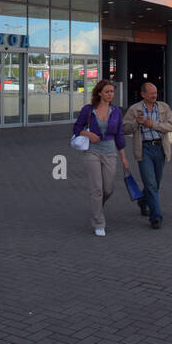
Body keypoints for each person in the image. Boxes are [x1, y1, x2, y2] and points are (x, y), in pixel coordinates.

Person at [72, 79, 130, 237]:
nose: (110, 95)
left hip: (110, 151)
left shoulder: (116, 111)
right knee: (96, 188)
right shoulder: (88, 110)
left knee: (108, 188)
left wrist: (123, 157)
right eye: (107, 92)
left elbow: (119, 134)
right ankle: (98, 222)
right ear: (99, 93)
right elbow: (77, 128)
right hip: (92, 152)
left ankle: (97, 206)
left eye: (112, 92)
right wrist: (88, 134)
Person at [123, 82, 172, 229]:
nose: (154, 95)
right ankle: (156, 218)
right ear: (143, 94)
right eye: (151, 93)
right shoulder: (135, 109)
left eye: (155, 93)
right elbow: (124, 128)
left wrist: (154, 124)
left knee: (156, 183)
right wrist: (136, 123)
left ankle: (142, 201)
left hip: (160, 148)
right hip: (144, 149)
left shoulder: (164, 107)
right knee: (151, 184)